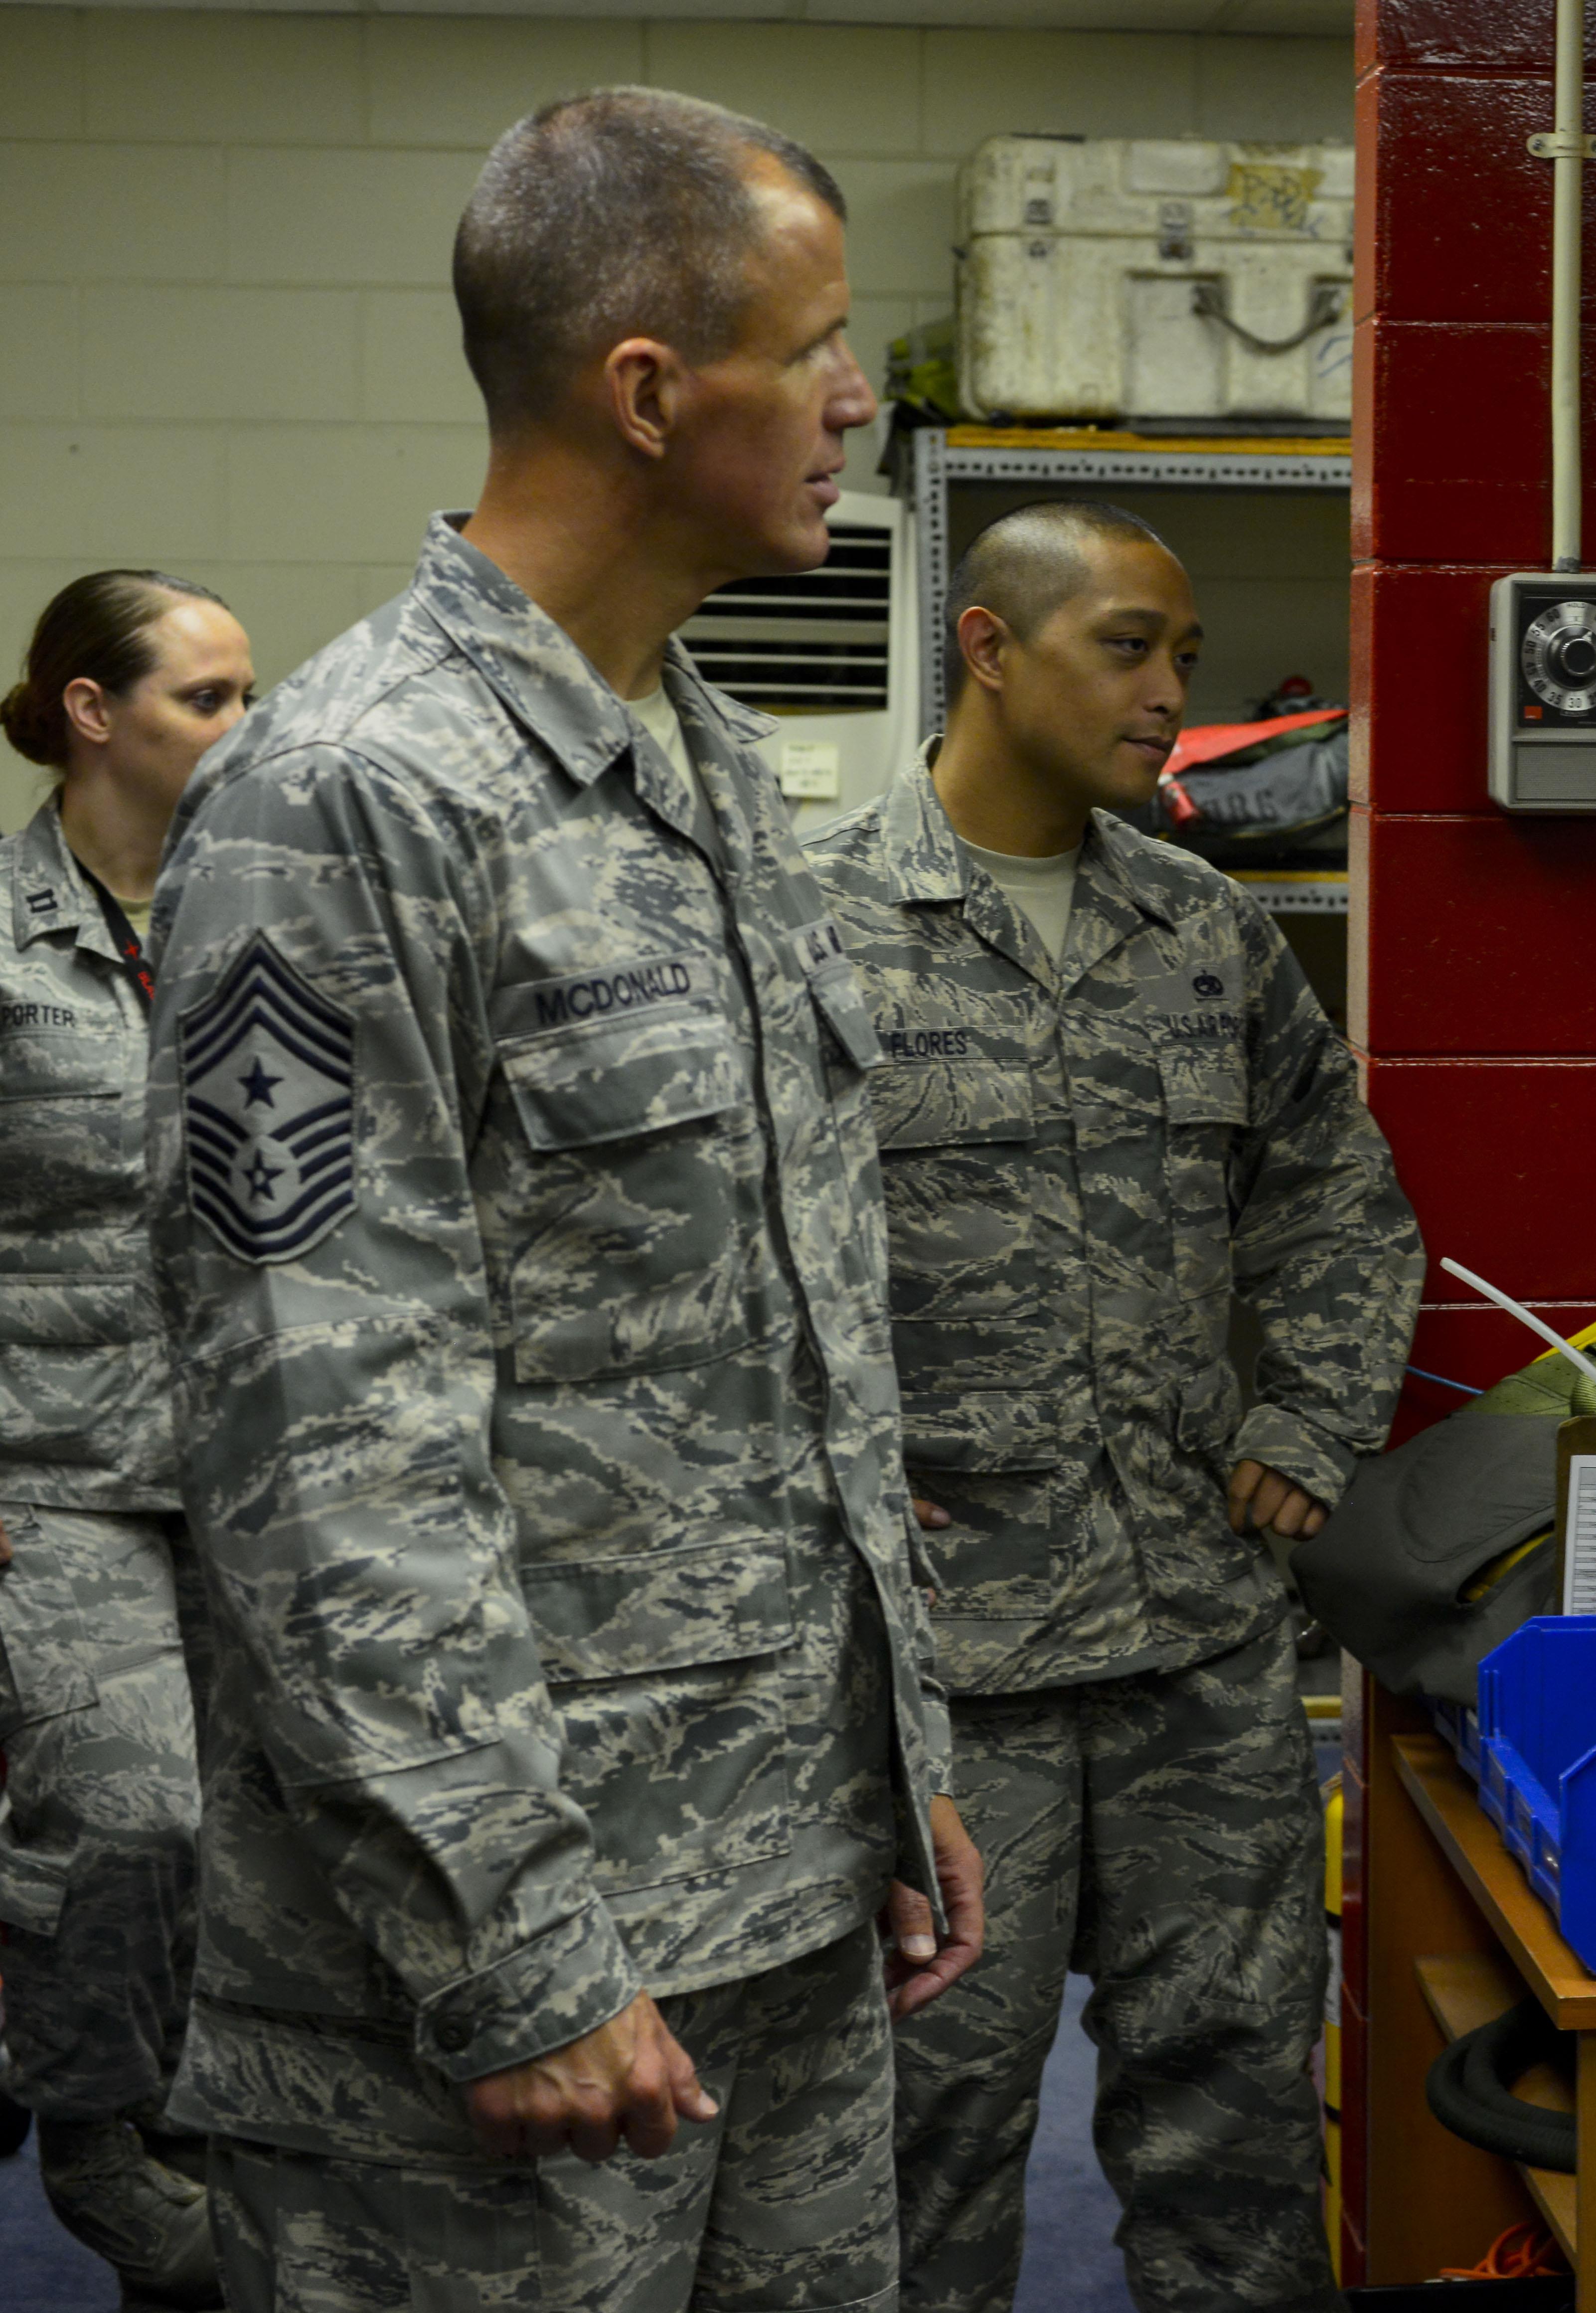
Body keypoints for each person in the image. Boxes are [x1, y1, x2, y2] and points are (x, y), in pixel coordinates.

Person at [142, 89, 984, 2312]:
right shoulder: (343, 799)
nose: (850, 406)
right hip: (504, 1990)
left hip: (780, 1912)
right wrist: (507, 1939)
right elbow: (323, 1457)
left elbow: (785, 1335)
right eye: (818, 347)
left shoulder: (691, 756)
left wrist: (889, 1778)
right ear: (642, 391)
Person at [807, 501, 1419, 2313]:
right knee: (925, 2141)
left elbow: (1336, 1196)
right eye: (1128, 648)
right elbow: (706, 1267)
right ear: (991, 648)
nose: (1170, 698)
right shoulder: (809, 929)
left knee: (1234, 2124)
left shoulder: (1205, 934)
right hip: (944, 1679)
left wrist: (1305, 1427)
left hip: (1196, 1657)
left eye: (1186, 658)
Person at [0, 569, 253, 2308]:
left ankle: (229, 2153)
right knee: (141, 1814)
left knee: (276, 1850)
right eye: (212, 699)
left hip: (263, 1483)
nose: (253, 730)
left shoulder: (275, 929)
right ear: (95, 713)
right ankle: (96, 2127)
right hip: (56, 1481)